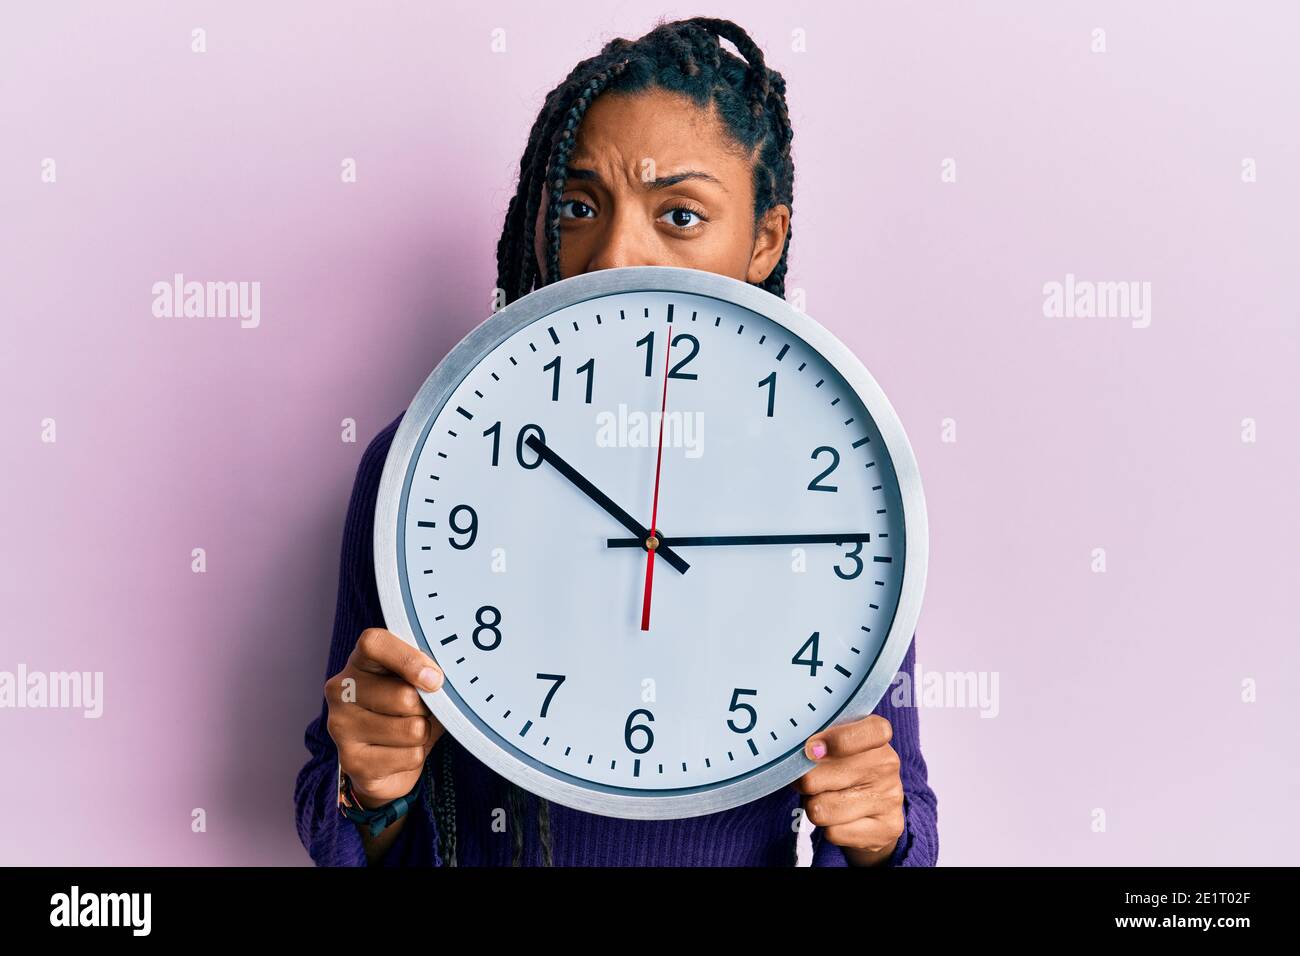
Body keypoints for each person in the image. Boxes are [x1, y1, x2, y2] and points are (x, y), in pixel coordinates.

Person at [294, 15, 938, 867]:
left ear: (764, 241)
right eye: (578, 206)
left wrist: (876, 832)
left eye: (678, 212)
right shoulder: (416, 465)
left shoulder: (845, 489)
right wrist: (370, 784)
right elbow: (332, 809)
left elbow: (902, 817)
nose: (615, 253)